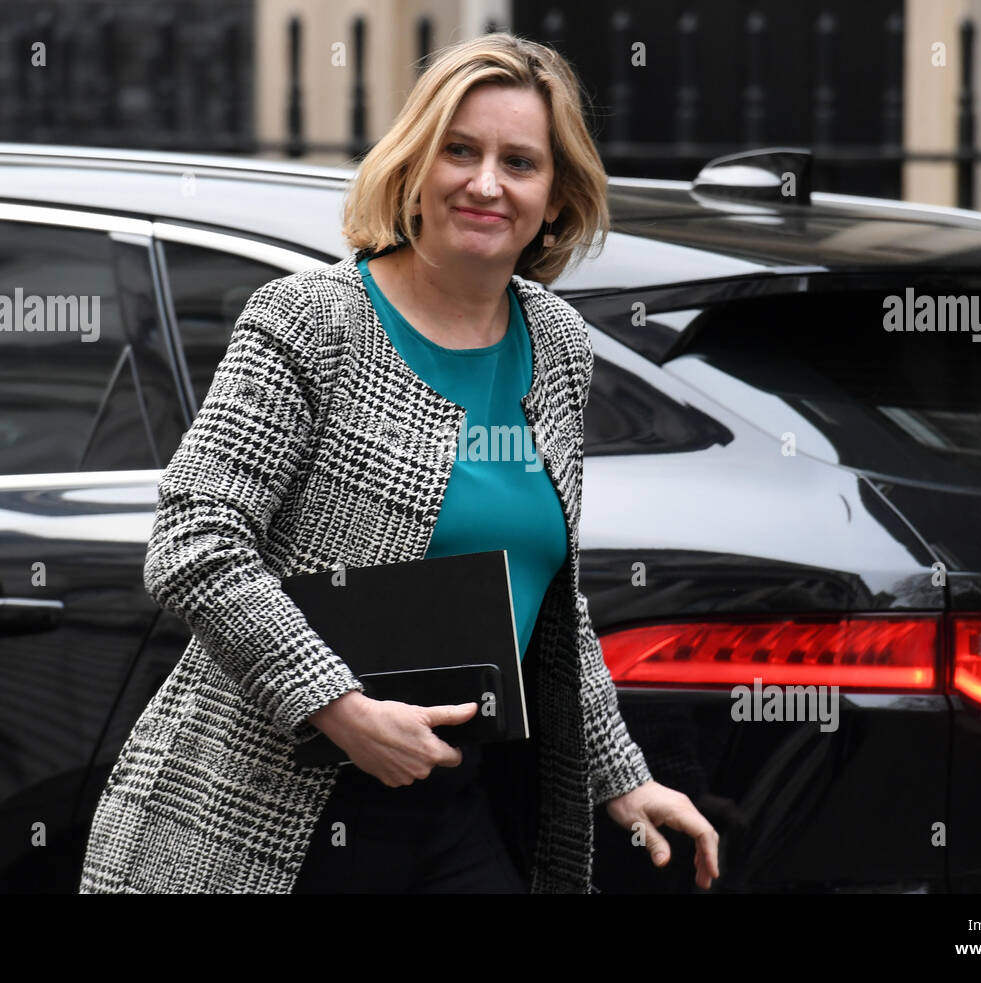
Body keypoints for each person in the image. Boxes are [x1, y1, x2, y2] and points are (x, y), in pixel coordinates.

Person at [79, 31, 720, 895]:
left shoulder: (559, 344)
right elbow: (195, 541)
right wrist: (343, 711)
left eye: (519, 162)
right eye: (460, 150)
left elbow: (553, 597)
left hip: (458, 810)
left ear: (556, 198)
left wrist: (624, 775)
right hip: (266, 806)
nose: (486, 183)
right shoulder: (312, 321)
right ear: (415, 166)